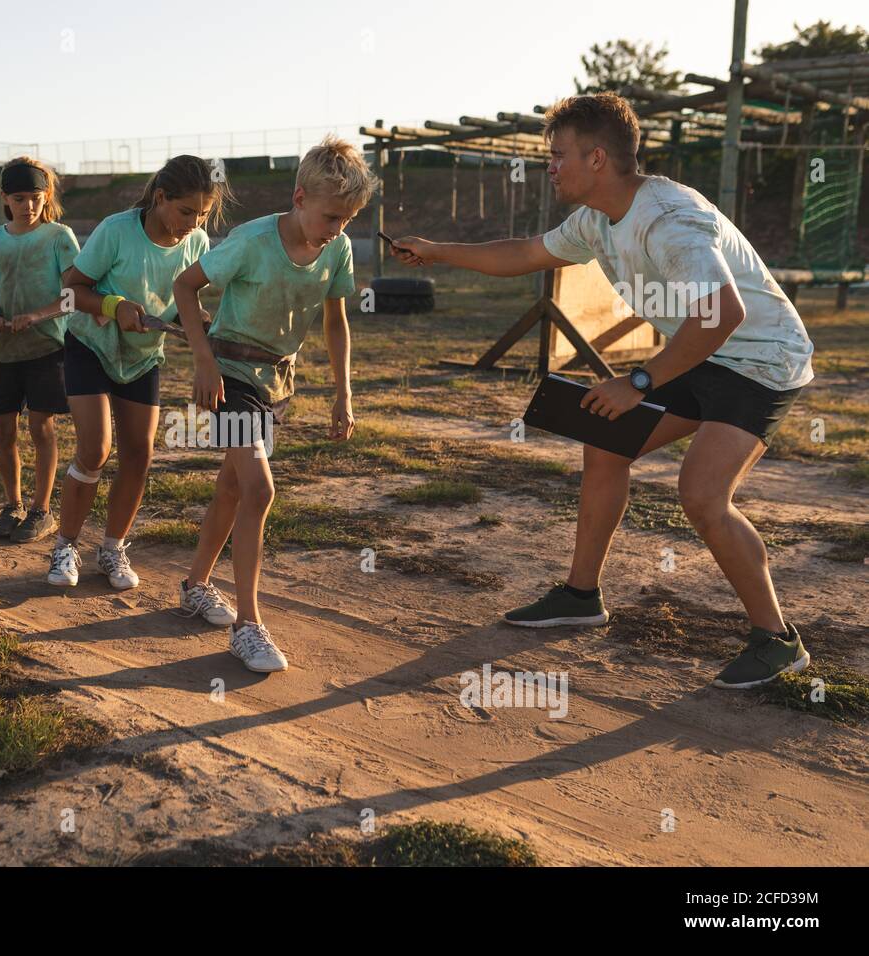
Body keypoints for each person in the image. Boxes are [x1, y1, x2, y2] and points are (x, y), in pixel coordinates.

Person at [392, 92, 815, 690]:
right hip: (704, 349)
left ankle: (778, 640)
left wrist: (639, 381)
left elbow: (722, 313)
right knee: (605, 442)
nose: (550, 166)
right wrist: (438, 251)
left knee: (701, 493)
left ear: (596, 158)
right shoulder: (596, 219)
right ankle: (580, 595)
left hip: (762, 357)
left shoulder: (671, 220)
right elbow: (525, 253)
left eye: (558, 154)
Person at [173, 135, 376, 672]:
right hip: (230, 376)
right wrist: (202, 361)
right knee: (260, 489)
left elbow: (336, 321)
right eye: (332, 215)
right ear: (300, 196)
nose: (338, 229)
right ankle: (248, 626)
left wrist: (343, 394)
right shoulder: (252, 240)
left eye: (348, 219)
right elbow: (185, 286)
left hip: (275, 383)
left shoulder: (338, 248)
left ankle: (194, 585)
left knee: (234, 486)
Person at [45, 155, 231, 591]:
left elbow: (186, 298)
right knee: (95, 449)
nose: (193, 222)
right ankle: (64, 546)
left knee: (140, 455)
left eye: (202, 214)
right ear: (161, 197)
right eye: (186, 211)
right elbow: (71, 290)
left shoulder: (197, 242)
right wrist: (113, 306)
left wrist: (198, 320)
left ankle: (112, 549)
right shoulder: (116, 230)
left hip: (143, 356)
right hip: (91, 345)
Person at [0, 157, 80, 543]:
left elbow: (72, 294)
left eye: (35, 197)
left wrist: (38, 315)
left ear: (46, 195)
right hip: (4, 351)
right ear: (5, 198)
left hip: (47, 348)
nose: (28, 205)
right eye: (19, 198)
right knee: (2, 429)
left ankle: (41, 510)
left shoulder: (59, 237)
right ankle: (12, 504)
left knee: (41, 426)